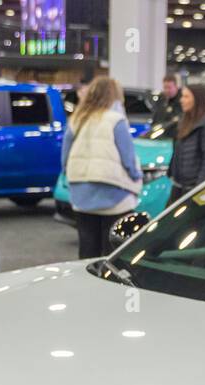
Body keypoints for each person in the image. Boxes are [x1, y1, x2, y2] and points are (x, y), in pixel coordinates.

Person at [61, 77, 142, 259]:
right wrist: (136, 176)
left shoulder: (77, 119)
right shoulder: (116, 121)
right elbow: (128, 158)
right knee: (112, 251)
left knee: (87, 249)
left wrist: (69, 173)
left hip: (81, 195)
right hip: (113, 194)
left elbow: (65, 156)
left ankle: (87, 284)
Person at [166, 84, 205, 207]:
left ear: (197, 100)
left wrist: (197, 193)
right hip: (178, 189)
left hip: (193, 192)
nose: (181, 100)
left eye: (186, 97)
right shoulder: (184, 124)